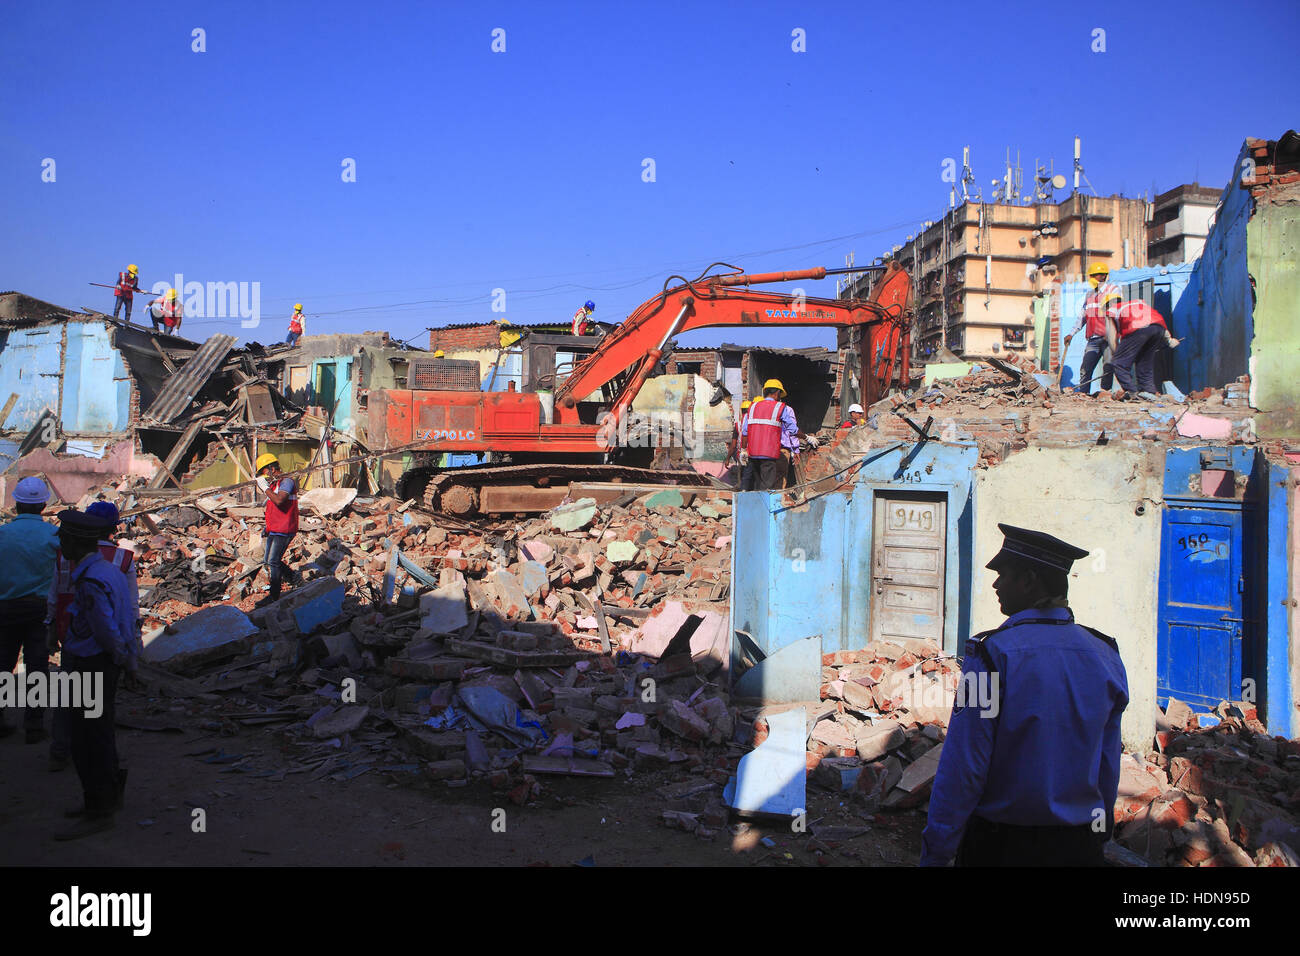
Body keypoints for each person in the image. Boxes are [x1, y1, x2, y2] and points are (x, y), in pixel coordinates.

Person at [920, 524, 1129, 867]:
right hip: (1079, 845)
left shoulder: (990, 656)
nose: (995, 584)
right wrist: (1098, 834)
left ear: (1029, 581)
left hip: (1001, 845)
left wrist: (937, 850)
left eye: (1004, 574)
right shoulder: (1106, 656)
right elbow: (1108, 763)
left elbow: (964, 765)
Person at [52, 508, 134, 841]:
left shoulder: (90, 580)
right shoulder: (107, 570)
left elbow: (106, 628)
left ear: (75, 541)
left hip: (92, 665)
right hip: (101, 663)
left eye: (63, 537)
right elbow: (127, 616)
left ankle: (98, 810)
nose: (60, 542)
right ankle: (107, 799)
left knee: (88, 740)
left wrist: (119, 657)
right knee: (100, 734)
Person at [0, 477, 60, 742]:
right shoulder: (53, 536)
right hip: (39, 610)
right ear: (43, 505)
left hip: (5, 608)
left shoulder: (3, 534)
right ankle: (34, 726)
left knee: (3, 666)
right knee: (37, 667)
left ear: (16, 504)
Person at [1107, 296, 1174, 399]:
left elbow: (1111, 337)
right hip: (1158, 328)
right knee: (1144, 362)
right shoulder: (1137, 304)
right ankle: (1149, 391)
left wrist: (1116, 354)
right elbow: (1156, 319)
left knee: (1118, 363)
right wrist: (1169, 339)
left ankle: (1132, 392)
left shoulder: (1112, 310)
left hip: (1137, 328)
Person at [1068, 262, 1120, 394]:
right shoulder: (1089, 295)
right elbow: (1082, 317)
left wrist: (1113, 333)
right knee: (1086, 367)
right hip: (1093, 338)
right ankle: (1083, 393)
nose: (1091, 278)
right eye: (1091, 276)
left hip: (1109, 337)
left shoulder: (1113, 290)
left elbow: (1116, 313)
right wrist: (1071, 333)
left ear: (1103, 276)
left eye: (1094, 276)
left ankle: (1104, 393)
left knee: (1108, 366)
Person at [741, 379, 800, 491]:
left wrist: (744, 449)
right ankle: (766, 508)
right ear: (777, 393)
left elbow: (745, 431)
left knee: (756, 485)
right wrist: (804, 440)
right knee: (770, 486)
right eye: (779, 394)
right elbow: (793, 430)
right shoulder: (781, 408)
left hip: (753, 453)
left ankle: (755, 506)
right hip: (770, 453)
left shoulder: (752, 407)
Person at [255, 453, 298, 602]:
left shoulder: (287, 482)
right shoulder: (275, 485)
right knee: (269, 560)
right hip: (275, 528)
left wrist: (265, 488)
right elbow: (272, 509)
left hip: (285, 528)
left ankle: (274, 596)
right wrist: (268, 527)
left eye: (265, 472)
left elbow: (279, 501)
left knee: (273, 561)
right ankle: (293, 577)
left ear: (272, 468)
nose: (265, 476)